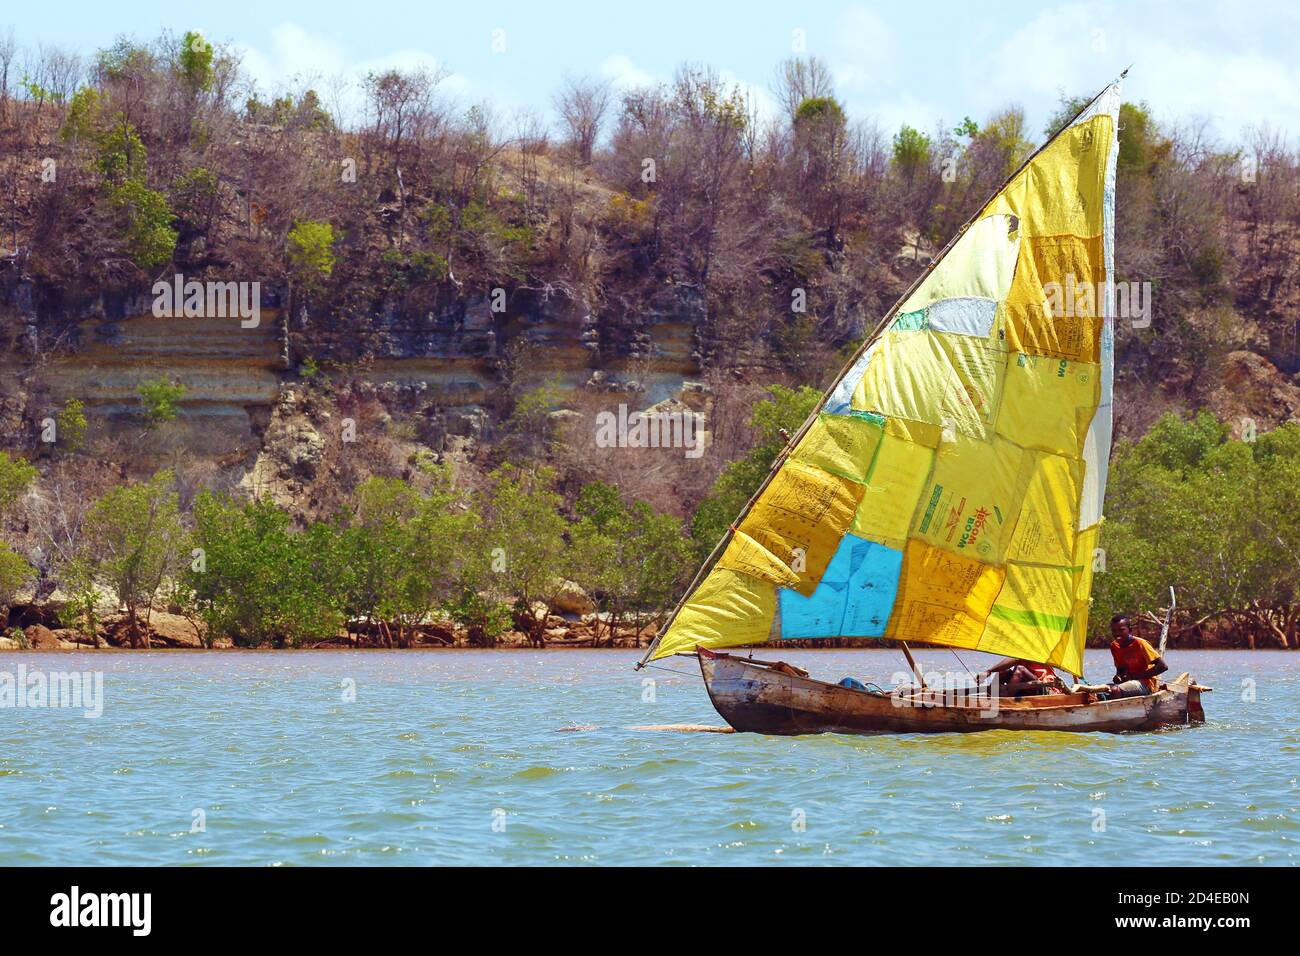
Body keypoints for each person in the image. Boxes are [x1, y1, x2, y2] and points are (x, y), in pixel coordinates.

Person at [1076, 615, 1169, 698]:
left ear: (1130, 630)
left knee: (1115, 690)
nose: (1117, 634)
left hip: (1146, 685)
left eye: (1121, 630)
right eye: (1114, 630)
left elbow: (1163, 666)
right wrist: (1118, 676)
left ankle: (1112, 713)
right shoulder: (1114, 646)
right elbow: (1120, 670)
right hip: (1128, 683)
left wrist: (1135, 676)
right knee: (1096, 691)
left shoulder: (1140, 643)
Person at [979, 657, 1066, 697]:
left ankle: (1005, 700)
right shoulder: (1020, 655)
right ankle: (992, 695)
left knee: (1020, 670)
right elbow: (1012, 660)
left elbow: (1016, 660)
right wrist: (989, 671)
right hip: (1026, 687)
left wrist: (988, 671)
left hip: (1045, 687)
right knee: (1003, 670)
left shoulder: (1036, 652)